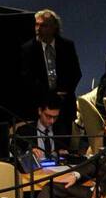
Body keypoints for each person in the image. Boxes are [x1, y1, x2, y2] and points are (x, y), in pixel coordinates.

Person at [18, 8, 81, 138]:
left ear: (54, 27)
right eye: (36, 24)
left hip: (64, 104)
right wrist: (48, 94)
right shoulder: (27, 49)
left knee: (63, 145)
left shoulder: (67, 46)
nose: (38, 28)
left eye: (43, 25)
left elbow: (75, 73)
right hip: (38, 103)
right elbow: (27, 77)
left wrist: (62, 92)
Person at [11, 98, 69, 167]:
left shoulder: (61, 130)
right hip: (34, 171)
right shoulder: (24, 131)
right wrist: (27, 153)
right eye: (48, 116)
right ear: (40, 111)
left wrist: (62, 153)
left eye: (55, 117)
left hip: (57, 169)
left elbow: (67, 151)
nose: (52, 121)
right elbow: (13, 150)